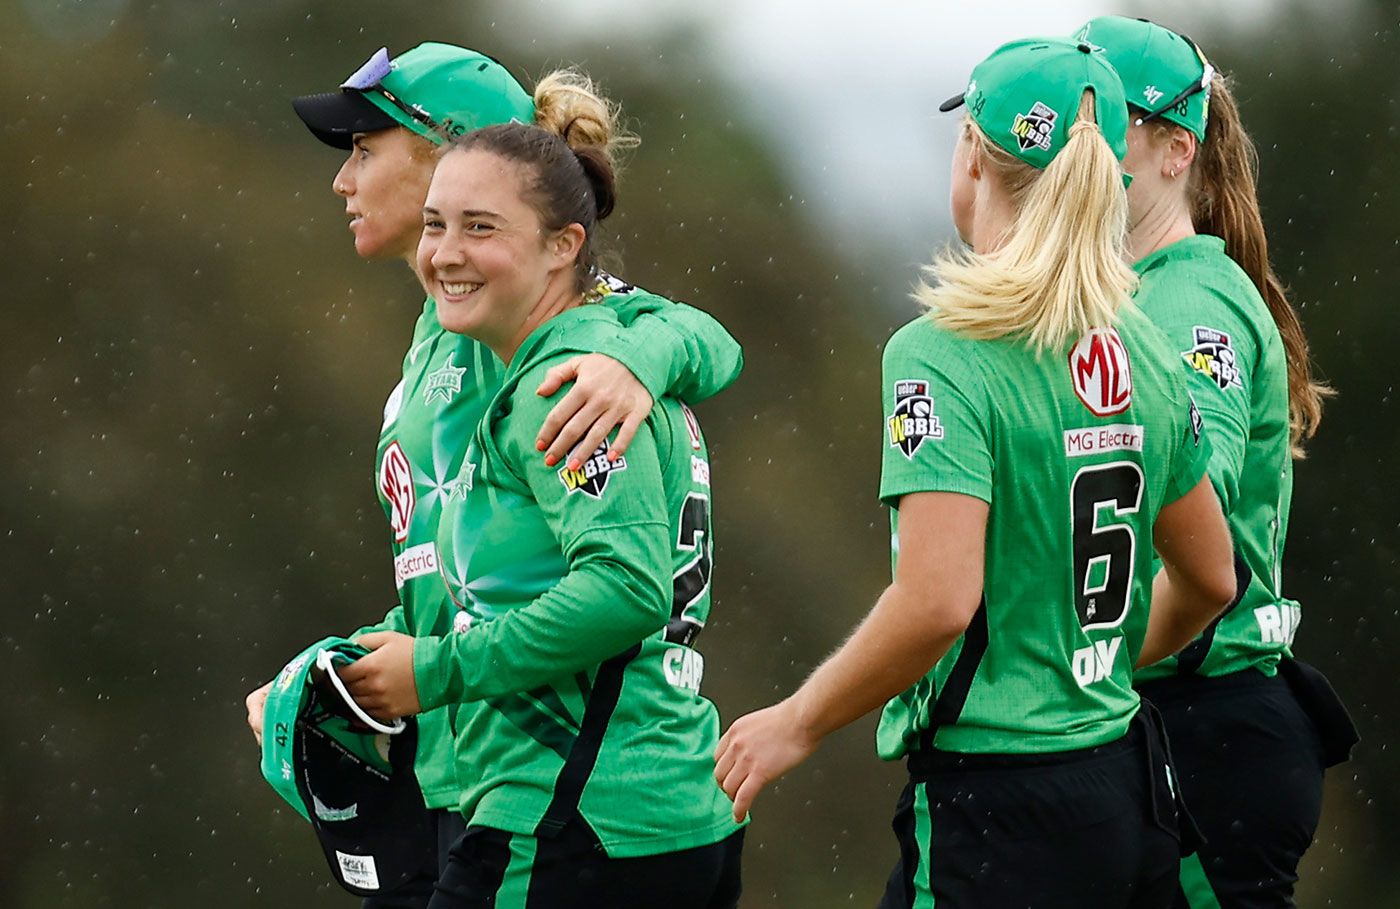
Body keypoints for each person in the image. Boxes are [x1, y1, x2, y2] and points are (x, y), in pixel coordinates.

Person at [712, 37, 1239, 908]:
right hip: (1124, 789)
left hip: (997, 809)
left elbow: (935, 603)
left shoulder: (939, 354)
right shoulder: (1144, 343)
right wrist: (1086, 665)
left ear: (974, 160)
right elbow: (1212, 577)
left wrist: (795, 722)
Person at [243, 43, 744, 906]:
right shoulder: (451, 330)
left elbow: (701, 341)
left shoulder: (544, 330)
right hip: (488, 776)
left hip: (572, 791)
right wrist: (344, 668)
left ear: (454, 154)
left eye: (366, 149)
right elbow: (469, 570)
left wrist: (643, 351)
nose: (342, 179)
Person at [1077, 16, 1355, 907]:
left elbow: (1202, 533)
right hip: (1171, 721)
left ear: (1174, 150)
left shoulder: (1191, 300)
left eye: (1101, 122)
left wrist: (1073, 670)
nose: (1072, 148)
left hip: (1204, 731)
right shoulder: (1128, 294)